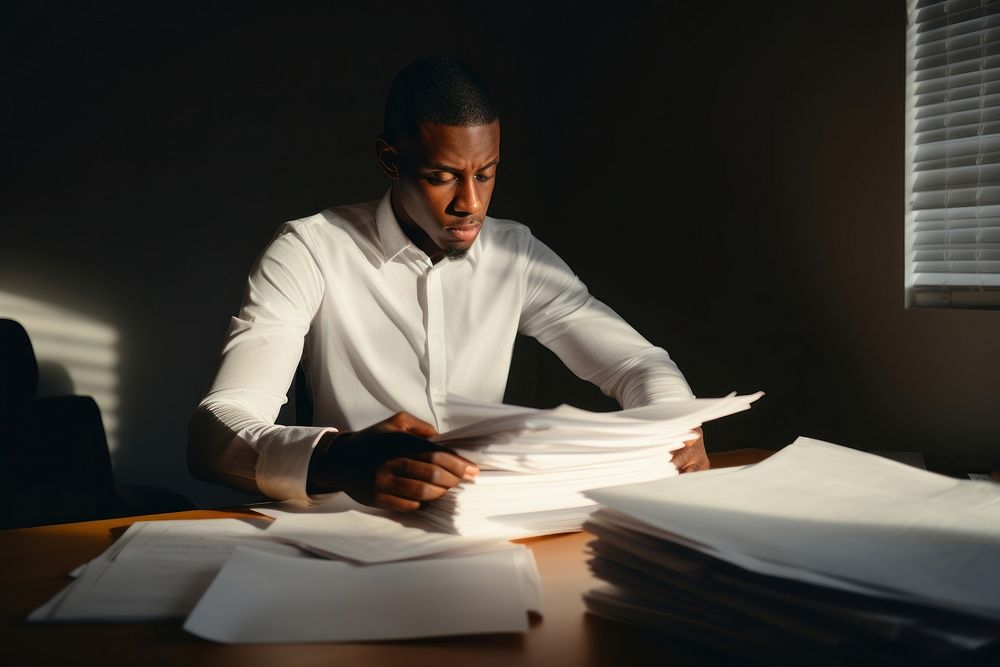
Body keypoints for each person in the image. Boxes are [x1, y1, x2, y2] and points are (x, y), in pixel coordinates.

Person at [188, 56, 708, 511]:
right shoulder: (311, 249)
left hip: (490, 524)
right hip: (347, 529)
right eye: (442, 176)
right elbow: (215, 432)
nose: (472, 204)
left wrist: (672, 425)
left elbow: (636, 363)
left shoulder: (517, 254)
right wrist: (337, 458)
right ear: (391, 161)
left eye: (486, 173)